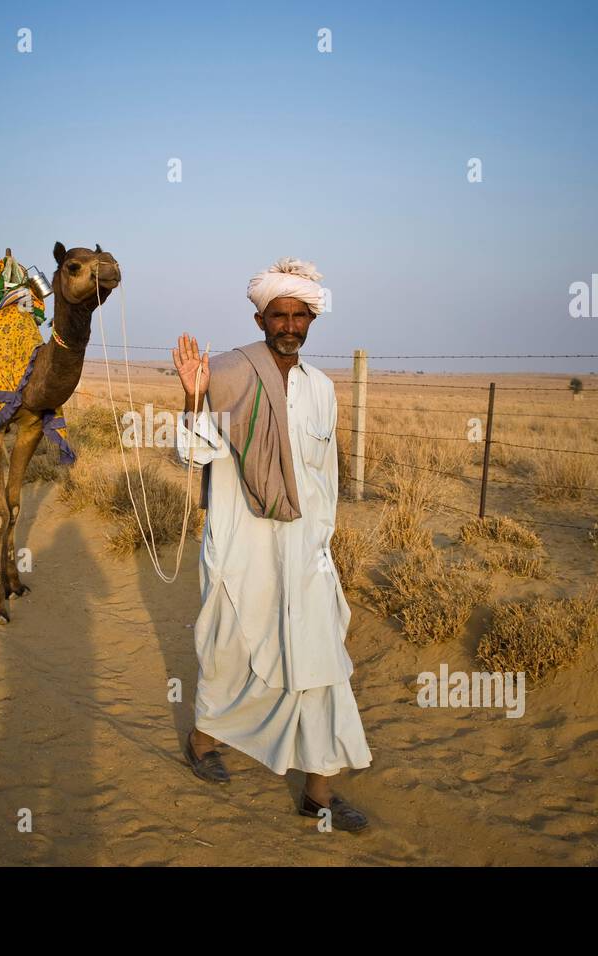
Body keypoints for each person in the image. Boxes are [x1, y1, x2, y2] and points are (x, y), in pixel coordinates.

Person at [172, 257, 372, 832]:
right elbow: (193, 455)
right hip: (242, 547)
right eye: (277, 314)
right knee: (231, 652)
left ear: (312, 320)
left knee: (320, 659)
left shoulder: (323, 391)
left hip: (305, 551)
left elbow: (324, 476)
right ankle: (204, 739)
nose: (288, 324)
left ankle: (319, 792)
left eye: (298, 314)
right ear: (260, 318)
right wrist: (194, 396)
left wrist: (322, 545)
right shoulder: (229, 376)